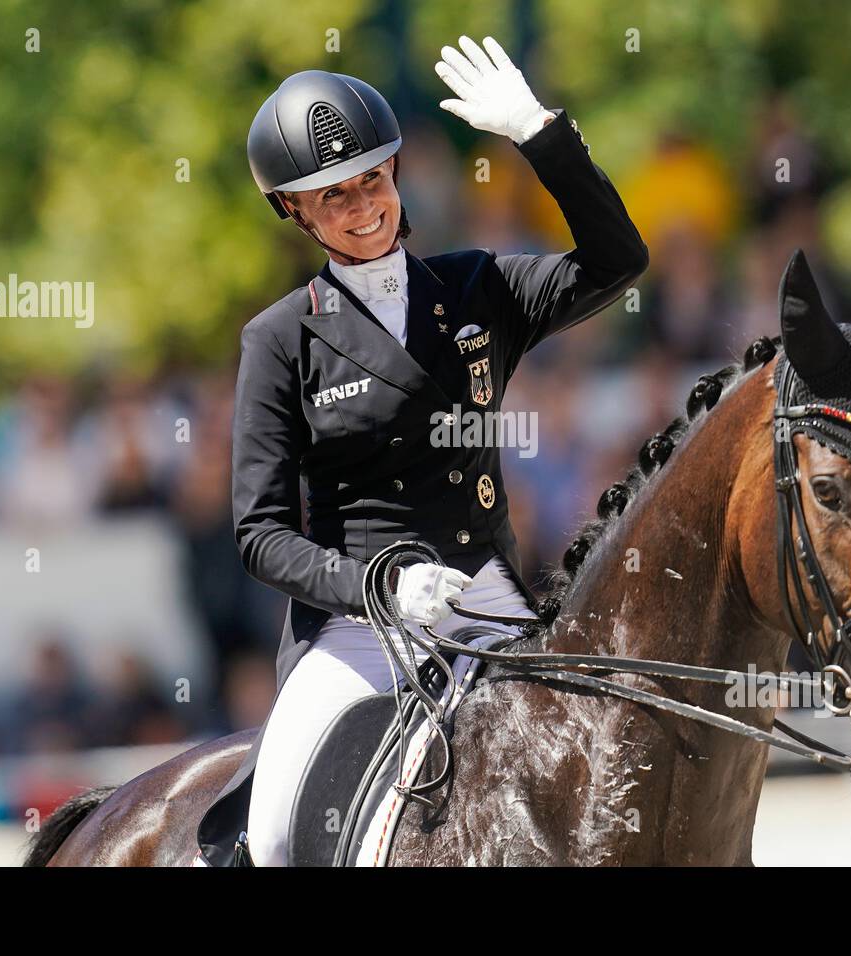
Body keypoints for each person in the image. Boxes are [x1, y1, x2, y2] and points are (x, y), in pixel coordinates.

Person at [196, 35, 648, 866]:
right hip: (359, 629)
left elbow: (620, 261)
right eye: (331, 196)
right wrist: (382, 588)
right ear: (295, 212)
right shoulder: (280, 340)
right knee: (275, 832)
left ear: (395, 174)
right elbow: (260, 534)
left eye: (370, 179)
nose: (361, 205)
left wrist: (541, 134)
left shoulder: (480, 287)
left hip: (492, 608)